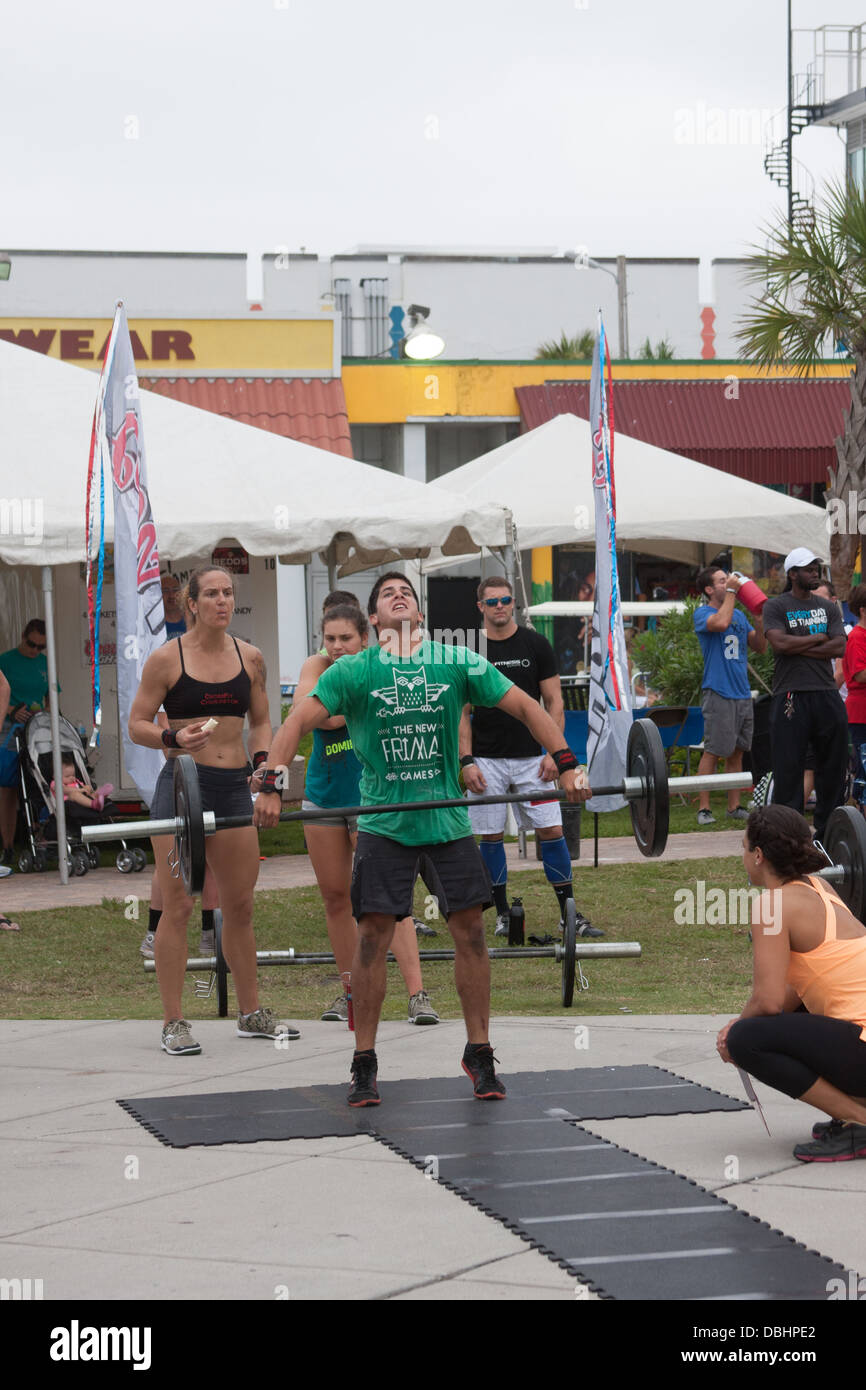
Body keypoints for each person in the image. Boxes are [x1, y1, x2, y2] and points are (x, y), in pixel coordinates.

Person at [254, 570, 592, 1107]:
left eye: (406, 591)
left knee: (472, 932)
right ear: (373, 620)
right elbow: (294, 722)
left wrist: (569, 764)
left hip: (446, 823)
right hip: (386, 825)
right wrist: (271, 784)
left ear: (419, 612)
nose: (399, 595)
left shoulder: (455, 662)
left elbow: (528, 707)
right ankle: (363, 1062)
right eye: (387, 594)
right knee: (371, 940)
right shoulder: (355, 671)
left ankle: (479, 1052)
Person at [128, 565, 298, 1056]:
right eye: (212, 594)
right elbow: (138, 722)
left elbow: (264, 724)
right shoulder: (167, 659)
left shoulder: (251, 657)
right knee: (178, 906)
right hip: (183, 785)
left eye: (228, 593)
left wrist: (266, 773)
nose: (222, 601)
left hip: (231, 788)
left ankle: (250, 1013)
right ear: (192, 604)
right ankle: (173, 1021)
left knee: (238, 905)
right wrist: (172, 738)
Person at [297, 602, 439, 1024]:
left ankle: (418, 996)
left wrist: (338, 704)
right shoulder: (318, 666)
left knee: (392, 900)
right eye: (330, 639)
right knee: (336, 898)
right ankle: (350, 992)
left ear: (365, 637)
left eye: (346, 639)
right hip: (323, 795)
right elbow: (318, 719)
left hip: (371, 797)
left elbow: (334, 712)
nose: (337, 647)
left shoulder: (378, 667)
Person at [718, 804, 866, 1163]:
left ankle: (859, 1120)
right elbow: (792, 993)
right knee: (769, 1021)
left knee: (746, 1040)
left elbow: (767, 1001)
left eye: (743, 847)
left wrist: (732, 1032)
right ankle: (852, 1110)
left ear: (758, 855)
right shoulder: (822, 888)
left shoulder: (771, 906)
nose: (743, 855)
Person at [458, 576, 602, 939]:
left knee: (552, 830)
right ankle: (504, 915)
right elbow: (461, 711)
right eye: (492, 602)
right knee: (489, 837)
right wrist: (466, 759)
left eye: (506, 600)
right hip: (486, 760)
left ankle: (568, 914)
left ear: (513, 604)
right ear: (481, 607)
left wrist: (557, 754)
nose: (500, 606)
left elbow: (554, 702)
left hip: (532, 760)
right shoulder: (469, 651)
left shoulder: (536, 644)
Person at [761, 548, 848, 840]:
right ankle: (789, 837)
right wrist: (816, 638)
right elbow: (779, 644)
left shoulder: (828, 606)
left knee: (833, 766)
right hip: (790, 695)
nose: (814, 573)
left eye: (816, 568)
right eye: (808, 569)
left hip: (825, 693)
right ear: (792, 574)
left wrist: (798, 644)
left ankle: (828, 835)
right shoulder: (775, 606)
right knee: (789, 768)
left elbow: (839, 647)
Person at [693, 566, 766, 826]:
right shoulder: (703, 613)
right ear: (709, 590)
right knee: (713, 751)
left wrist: (758, 619)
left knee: (737, 752)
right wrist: (735, 592)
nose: (729, 583)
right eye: (722, 581)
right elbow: (720, 623)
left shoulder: (737, 614)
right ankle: (704, 808)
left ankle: (734, 806)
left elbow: (759, 646)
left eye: (729, 580)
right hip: (718, 691)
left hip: (742, 693)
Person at [0, 620, 51, 869]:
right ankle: (8, 846)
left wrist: (49, 718)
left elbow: (51, 696)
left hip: (37, 730)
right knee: (8, 789)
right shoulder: (5, 661)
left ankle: (39, 841)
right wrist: (11, 710)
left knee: (39, 785)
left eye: (40, 647)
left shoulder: (44, 663)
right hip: (10, 731)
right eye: (31, 644)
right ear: (22, 637)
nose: (35, 650)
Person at [842, 584, 866, 813]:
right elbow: (860, 673)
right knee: (864, 768)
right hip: (861, 712)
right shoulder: (857, 637)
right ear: (862, 610)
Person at [160, 572, 186, 639]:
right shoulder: (156, 625)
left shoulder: (191, 619)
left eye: (175, 590)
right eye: (165, 591)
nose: (171, 595)